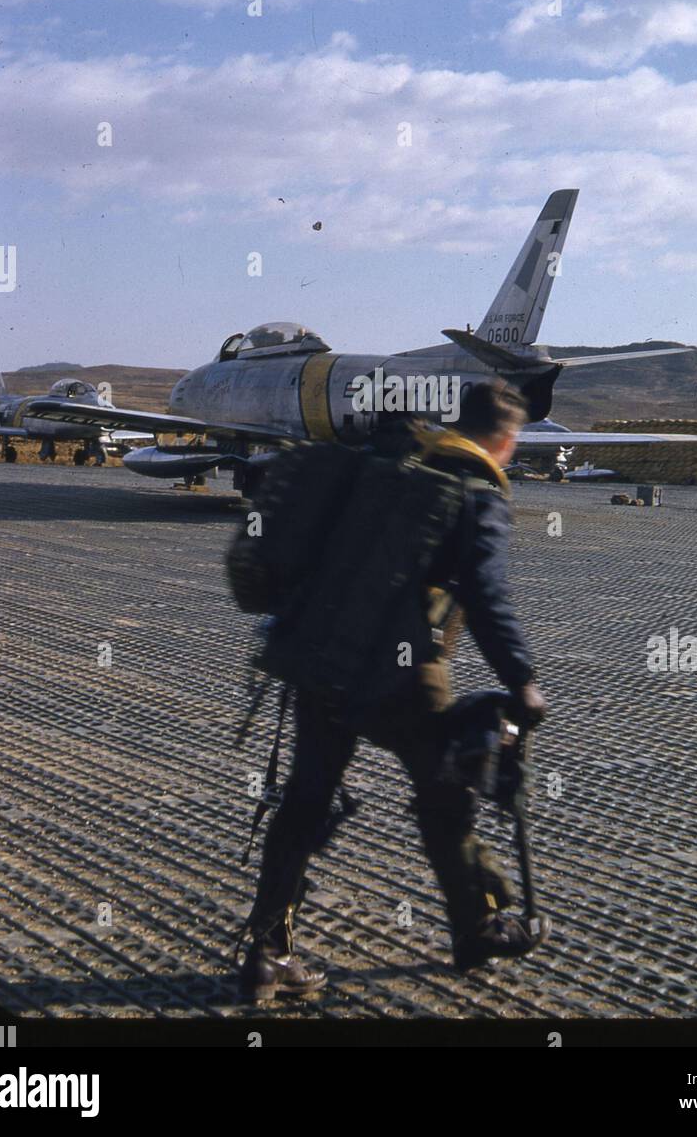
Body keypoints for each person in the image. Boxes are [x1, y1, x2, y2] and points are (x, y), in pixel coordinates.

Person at [238, 380, 548, 1002]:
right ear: (507, 439)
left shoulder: (386, 464)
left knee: (305, 801)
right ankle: (479, 926)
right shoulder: (476, 489)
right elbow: (486, 596)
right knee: (445, 796)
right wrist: (522, 680)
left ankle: (268, 955)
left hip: (320, 657)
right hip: (401, 675)